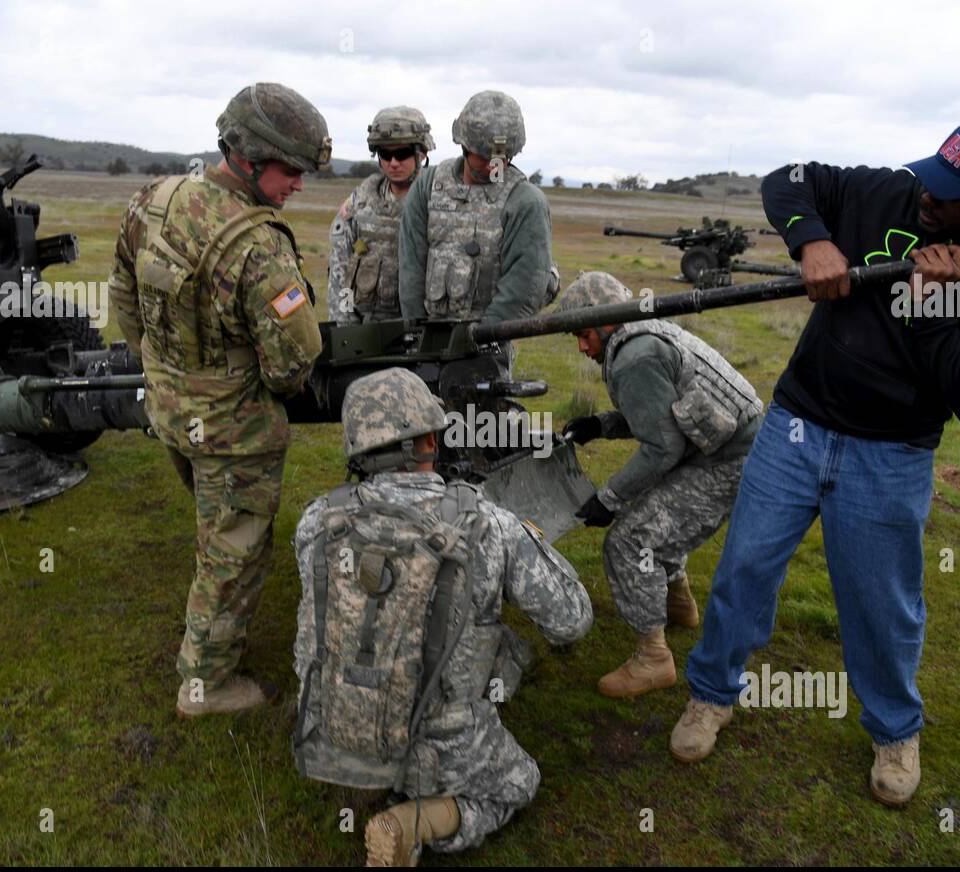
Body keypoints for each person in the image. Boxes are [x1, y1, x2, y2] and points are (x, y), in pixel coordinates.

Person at [672, 121, 960, 809]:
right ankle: (710, 694)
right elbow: (787, 179)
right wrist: (812, 240)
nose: (928, 197)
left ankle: (896, 731)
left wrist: (933, 310)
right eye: (931, 176)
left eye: (950, 193)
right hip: (797, 424)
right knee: (744, 566)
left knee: (881, 605)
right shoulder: (890, 191)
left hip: (894, 453)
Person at [291, 368, 592, 866]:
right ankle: (412, 823)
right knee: (518, 784)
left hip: (331, 726)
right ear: (431, 438)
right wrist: (525, 542)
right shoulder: (489, 524)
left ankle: (384, 780)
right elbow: (571, 619)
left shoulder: (316, 522)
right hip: (440, 738)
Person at [108, 83, 329, 716]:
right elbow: (292, 365)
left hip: (172, 412)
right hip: (235, 431)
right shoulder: (260, 246)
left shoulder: (154, 199)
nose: (298, 186)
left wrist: (170, 365)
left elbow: (124, 296)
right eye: (291, 171)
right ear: (253, 158)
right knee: (235, 549)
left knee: (215, 530)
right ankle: (206, 682)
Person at [559, 272, 763, 698]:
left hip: (728, 461)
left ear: (605, 323)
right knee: (657, 517)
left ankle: (653, 659)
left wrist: (608, 499)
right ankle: (679, 604)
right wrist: (601, 425)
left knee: (631, 541)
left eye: (583, 334)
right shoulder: (646, 331)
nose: (581, 347)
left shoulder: (635, 356)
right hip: (726, 450)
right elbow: (664, 414)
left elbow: (661, 449)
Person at [397, 90, 559, 373]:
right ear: (464, 144)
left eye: (502, 157)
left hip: (486, 351)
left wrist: (478, 343)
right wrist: (419, 340)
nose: (494, 165)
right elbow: (411, 268)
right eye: (485, 156)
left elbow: (522, 289)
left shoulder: (525, 202)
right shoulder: (428, 187)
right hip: (426, 345)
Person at [327, 106, 434, 325]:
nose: (393, 162)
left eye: (402, 153)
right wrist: (345, 324)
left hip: (424, 330)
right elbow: (341, 273)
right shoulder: (360, 203)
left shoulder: (438, 203)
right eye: (386, 154)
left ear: (421, 153)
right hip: (369, 329)